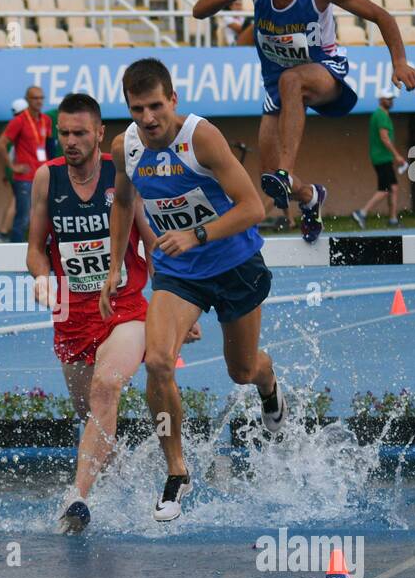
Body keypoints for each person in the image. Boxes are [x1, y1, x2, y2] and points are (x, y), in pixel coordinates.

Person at [103, 58, 282, 523]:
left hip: (234, 262)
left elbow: (252, 208)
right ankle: (176, 470)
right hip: (179, 272)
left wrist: (197, 234)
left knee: (241, 370)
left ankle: (269, 383)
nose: (148, 118)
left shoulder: (200, 137)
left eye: (156, 106)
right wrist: (113, 267)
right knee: (158, 361)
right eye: (137, 108)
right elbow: (123, 201)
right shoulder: (126, 146)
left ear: (173, 100)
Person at [193, 0, 415, 243]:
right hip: (276, 84)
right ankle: (310, 196)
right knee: (268, 178)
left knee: (293, 80)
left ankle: (286, 171)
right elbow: (198, 12)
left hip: (324, 72)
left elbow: (381, 15)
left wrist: (399, 61)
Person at [27, 92, 190, 534]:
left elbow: (154, 247)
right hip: (71, 316)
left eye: (80, 133)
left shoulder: (122, 179)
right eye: (64, 133)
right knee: (92, 416)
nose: (71, 141)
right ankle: (131, 489)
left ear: (100, 134)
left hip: (125, 310)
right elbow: (35, 251)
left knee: (106, 386)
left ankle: (76, 499)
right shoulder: (47, 179)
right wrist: (42, 277)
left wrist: (173, 306)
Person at [0, 85, 52, 243]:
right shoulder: (19, 121)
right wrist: (12, 167)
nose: (39, 101)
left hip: (42, 175)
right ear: (27, 100)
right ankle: (15, 253)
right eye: (35, 98)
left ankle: (46, 253)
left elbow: (48, 147)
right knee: (23, 218)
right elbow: (0, 145)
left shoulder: (46, 120)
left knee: (45, 215)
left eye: (41, 98)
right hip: (25, 177)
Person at [352, 86, 407, 229]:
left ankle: (393, 219)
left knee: (393, 187)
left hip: (384, 157)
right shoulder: (381, 115)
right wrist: (397, 155)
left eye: (391, 99)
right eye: (388, 99)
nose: (391, 101)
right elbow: (384, 138)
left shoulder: (381, 114)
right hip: (381, 157)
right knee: (385, 189)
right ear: (381, 100)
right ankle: (362, 213)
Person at [0, 97, 27, 242]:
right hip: (18, 171)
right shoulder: (20, 126)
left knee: (15, 201)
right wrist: (13, 168)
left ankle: (3, 233)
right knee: (16, 202)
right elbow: (8, 151)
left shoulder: (11, 125)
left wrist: (6, 172)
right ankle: (3, 232)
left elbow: (5, 153)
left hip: (12, 170)